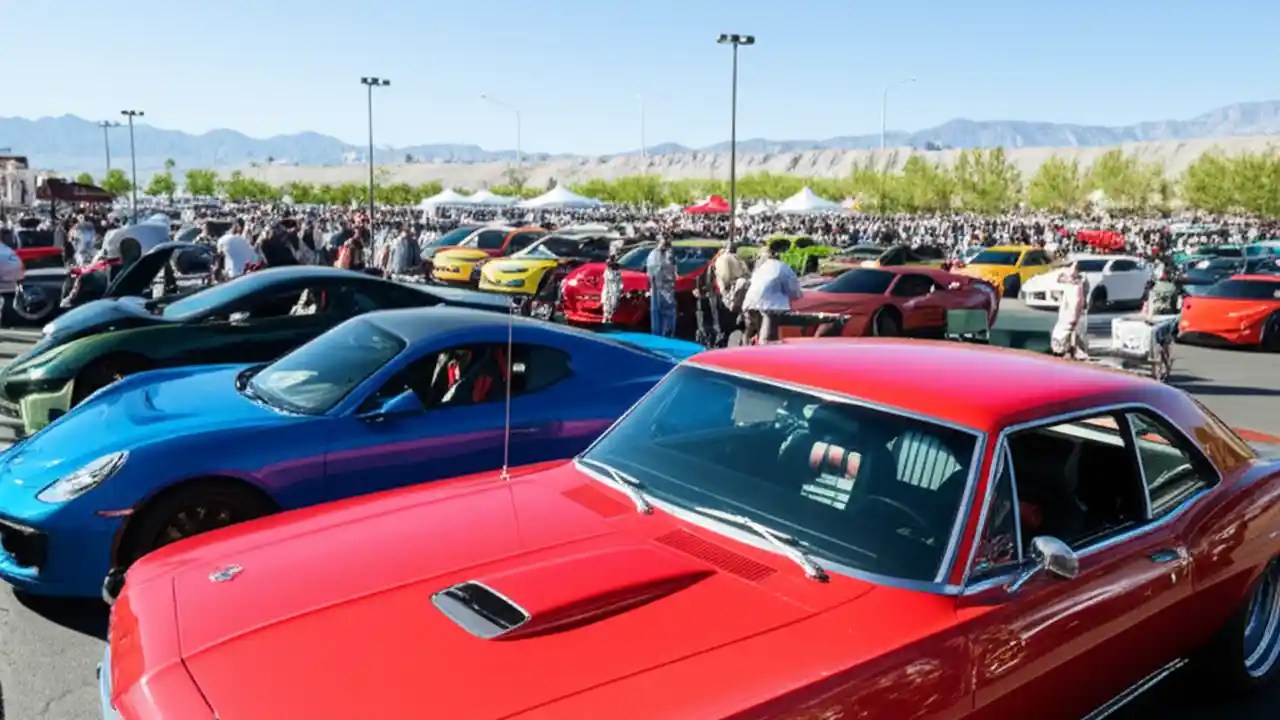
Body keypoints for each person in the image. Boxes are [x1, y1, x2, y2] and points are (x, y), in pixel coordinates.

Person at [742, 238, 803, 344]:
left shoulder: (763, 266)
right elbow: (794, 291)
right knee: (767, 337)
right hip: (769, 304)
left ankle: (746, 349)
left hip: (750, 301)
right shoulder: (783, 267)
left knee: (753, 331)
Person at [1051, 266, 1089, 360]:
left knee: (1071, 331)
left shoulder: (1076, 287)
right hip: (1069, 315)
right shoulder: (1070, 286)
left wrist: (1074, 316)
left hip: (1072, 315)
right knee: (1070, 331)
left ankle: (1073, 350)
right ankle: (1071, 349)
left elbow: (1077, 303)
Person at [645, 236, 677, 337]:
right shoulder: (654, 255)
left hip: (668, 287)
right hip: (659, 288)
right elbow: (654, 272)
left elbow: (673, 268)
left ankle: (668, 331)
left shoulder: (668, 254)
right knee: (659, 311)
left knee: (669, 311)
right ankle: (660, 332)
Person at [600, 239, 625, 325]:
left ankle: (610, 316)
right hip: (609, 287)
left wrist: (620, 287)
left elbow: (619, 281)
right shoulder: (608, 271)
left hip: (614, 287)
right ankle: (606, 316)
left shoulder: (617, 271)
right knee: (607, 300)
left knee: (613, 301)